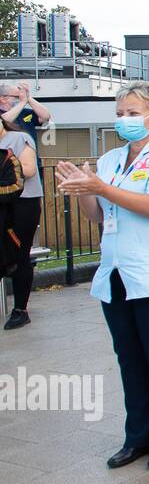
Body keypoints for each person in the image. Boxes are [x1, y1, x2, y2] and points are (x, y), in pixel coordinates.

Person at [55, 82, 149, 471]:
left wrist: (101, 187)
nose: (124, 120)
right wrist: (84, 189)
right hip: (117, 272)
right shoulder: (111, 160)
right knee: (129, 358)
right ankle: (138, 437)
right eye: (120, 113)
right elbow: (97, 215)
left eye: (133, 113)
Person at [0, 109, 41, 330]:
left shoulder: (18, 138)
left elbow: (30, 169)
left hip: (23, 203)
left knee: (19, 253)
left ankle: (20, 310)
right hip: (2, 203)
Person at [0, 81, 53, 165]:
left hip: (32, 161)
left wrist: (28, 98)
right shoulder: (6, 114)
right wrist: (22, 102)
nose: (20, 98)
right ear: (3, 98)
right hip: (8, 165)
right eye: (17, 96)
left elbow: (45, 116)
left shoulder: (24, 112)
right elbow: (3, 121)